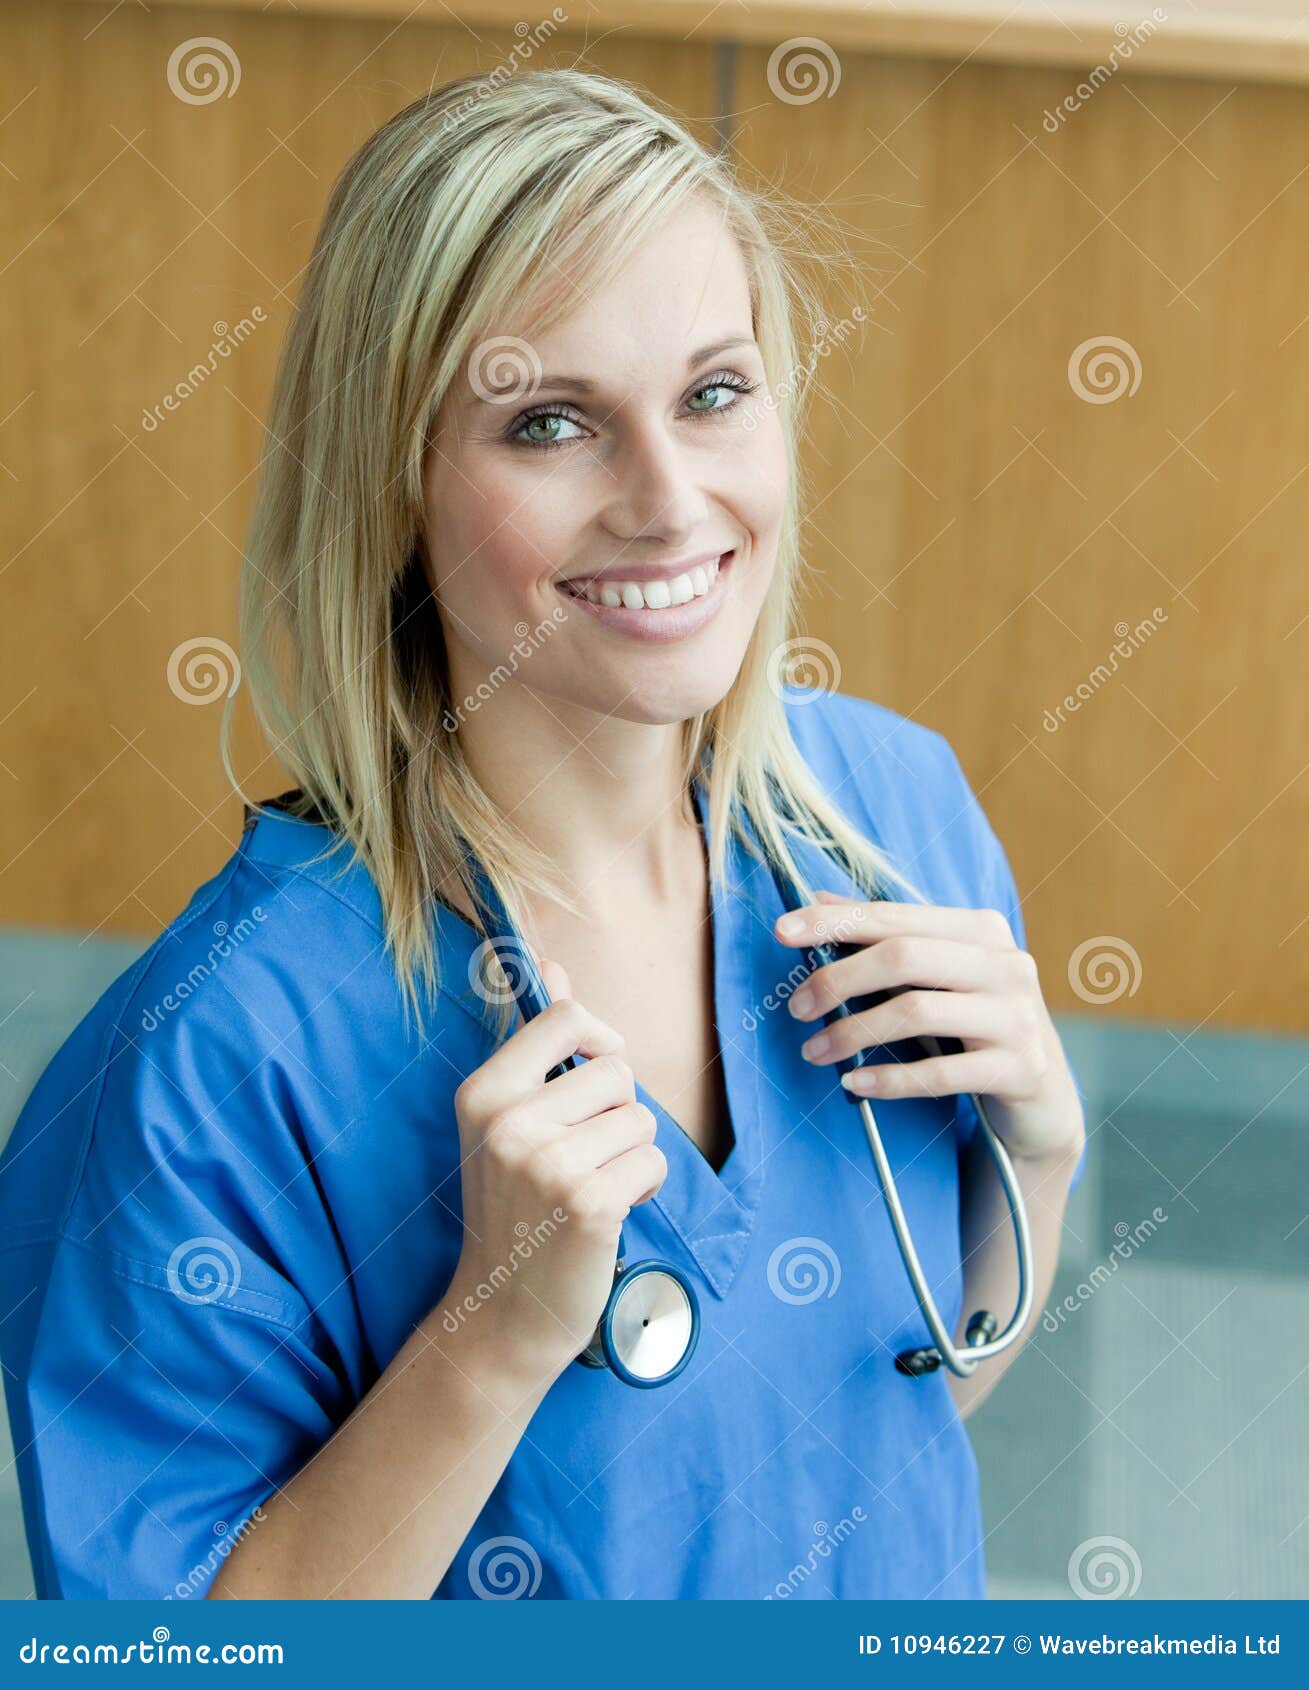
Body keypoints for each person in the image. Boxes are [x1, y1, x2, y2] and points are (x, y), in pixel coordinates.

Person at [0, 67, 1087, 1602]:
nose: (666, 499)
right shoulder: (214, 1058)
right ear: (393, 489)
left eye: (714, 393)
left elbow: (881, 1417)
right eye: (550, 422)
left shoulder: (888, 819)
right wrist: (496, 1337)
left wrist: (1038, 1153)